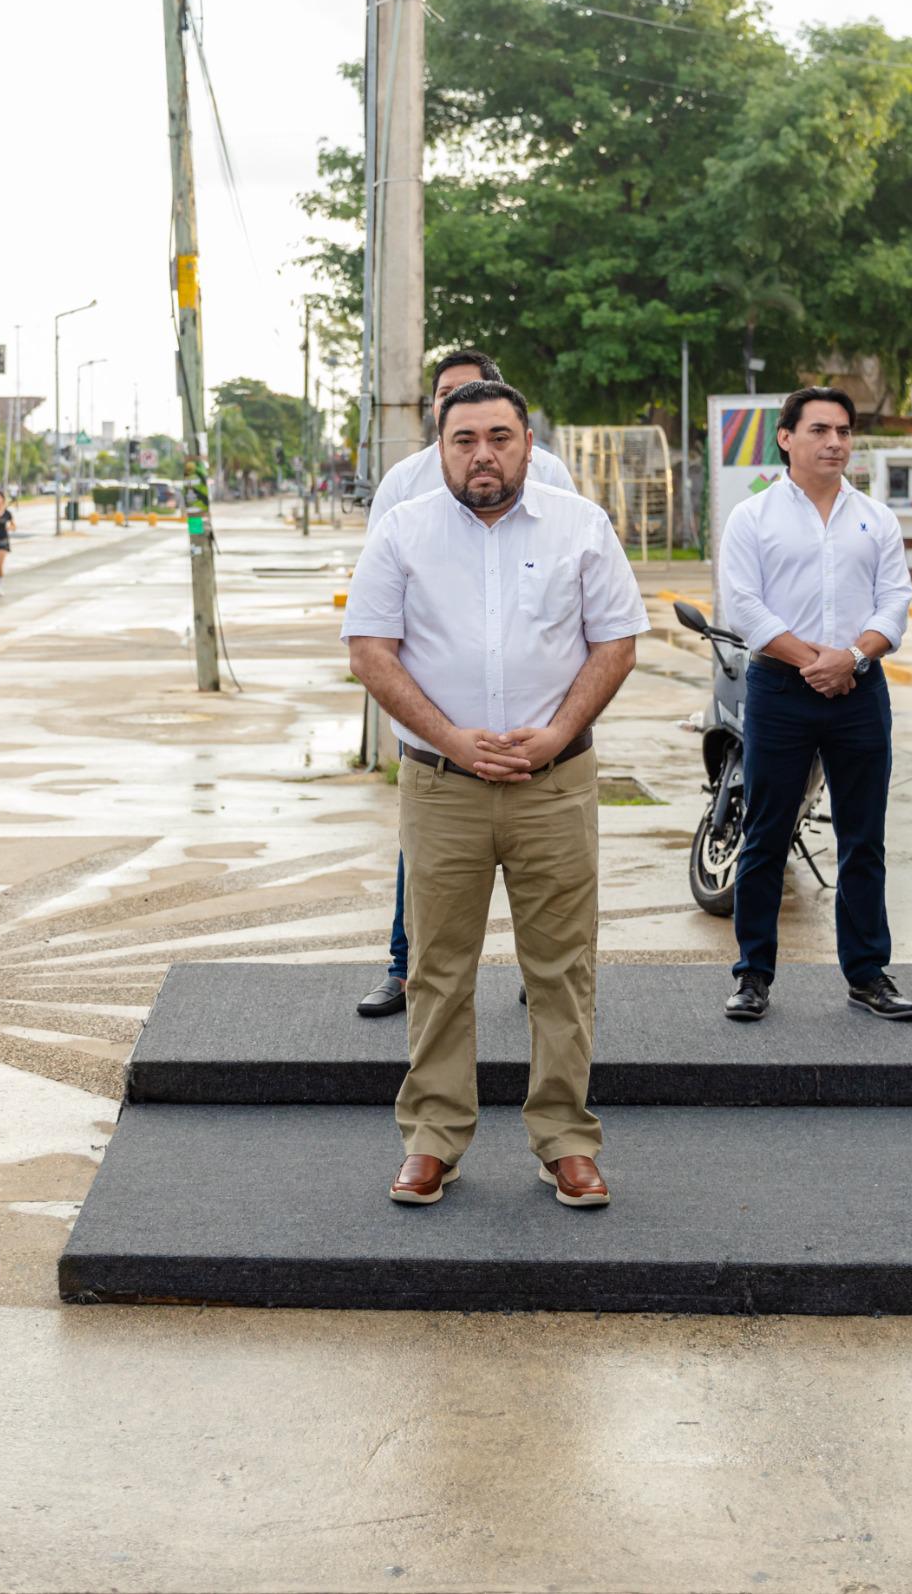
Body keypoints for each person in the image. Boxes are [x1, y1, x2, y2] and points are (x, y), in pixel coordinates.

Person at [343, 379, 646, 1209]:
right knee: (439, 969)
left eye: (500, 437)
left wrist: (553, 735)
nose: (484, 454)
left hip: (556, 783)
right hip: (443, 788)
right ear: (439, 447)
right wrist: (451, 739)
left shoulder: (580, 526)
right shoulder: (403, 532)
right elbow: (370, 649)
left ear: (527, 442)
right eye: (465, 438)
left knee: (562, 969)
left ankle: (566, 1142)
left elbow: (616, 643)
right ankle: (434, 1138)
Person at [356, 348, 575, 1019]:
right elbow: (377, 610)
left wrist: (559, 724)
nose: (476, 433)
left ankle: (537, 974)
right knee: (425, 869)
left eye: (482, 397)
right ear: (436, 410)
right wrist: (444, 734)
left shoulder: (553, 477)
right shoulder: (404, 486)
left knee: (548, 885)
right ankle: (403, 966)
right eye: (451, 397)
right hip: (439, 743)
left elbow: (575, 578)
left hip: (537, 737)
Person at [719, 386, 912, 1025]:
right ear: (786, 437)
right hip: (780, 691)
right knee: (765, 833)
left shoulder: (875, 518)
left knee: (864, 838)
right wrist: (815, 661)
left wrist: (853, 658)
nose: (835, 442)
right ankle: (752, 974)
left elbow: (896, 601)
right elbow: (745, 607)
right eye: (820, 430)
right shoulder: (752, 518)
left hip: (860, 691)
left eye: (843, 431)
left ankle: (867, 974)